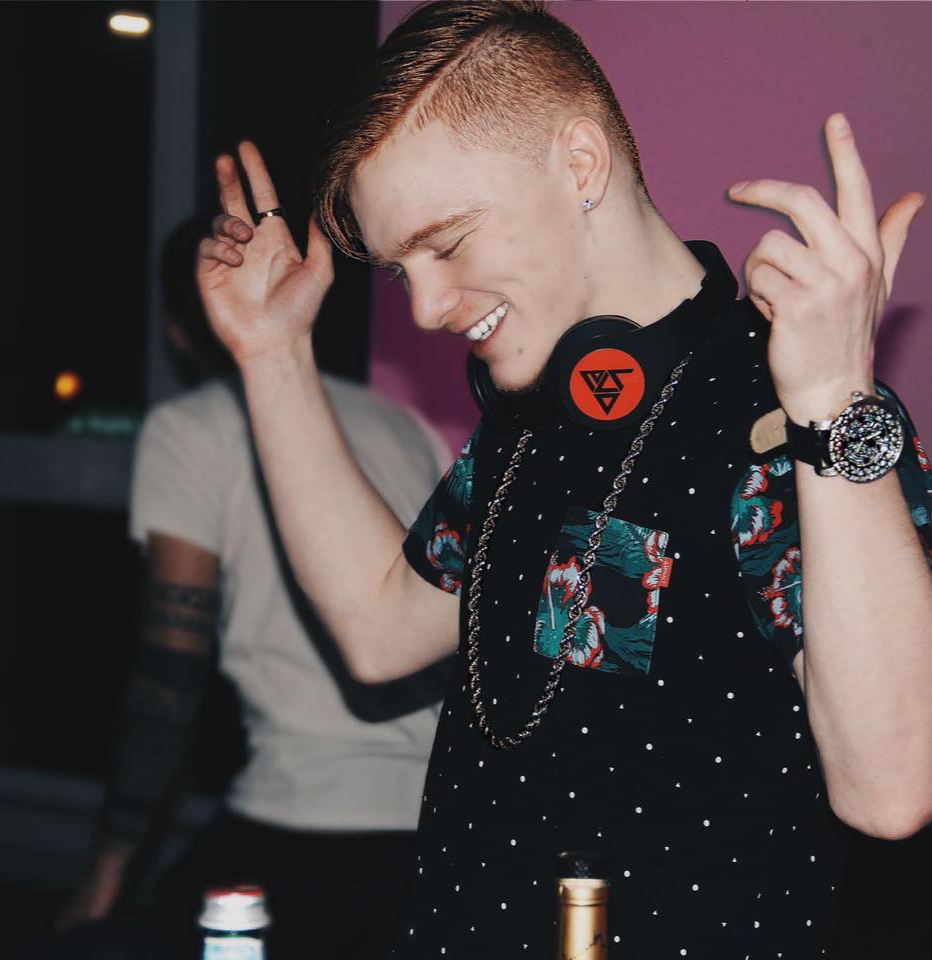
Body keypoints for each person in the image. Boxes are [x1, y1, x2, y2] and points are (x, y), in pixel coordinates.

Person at [196, 3, 932, 956]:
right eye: (401, 271)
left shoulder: (794, 416)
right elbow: (380, 630)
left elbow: (893, 788)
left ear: (580, 165)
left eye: (445, 244)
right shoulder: (540, 412)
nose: (425, 307)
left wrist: (831, 397)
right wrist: (272, 354)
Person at [46, 217, 453, 960]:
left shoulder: (188, 431)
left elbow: (169, 674)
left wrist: (106, 877)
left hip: (304, 824)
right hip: (440, 830)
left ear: (176, 333)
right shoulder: (403, 424)